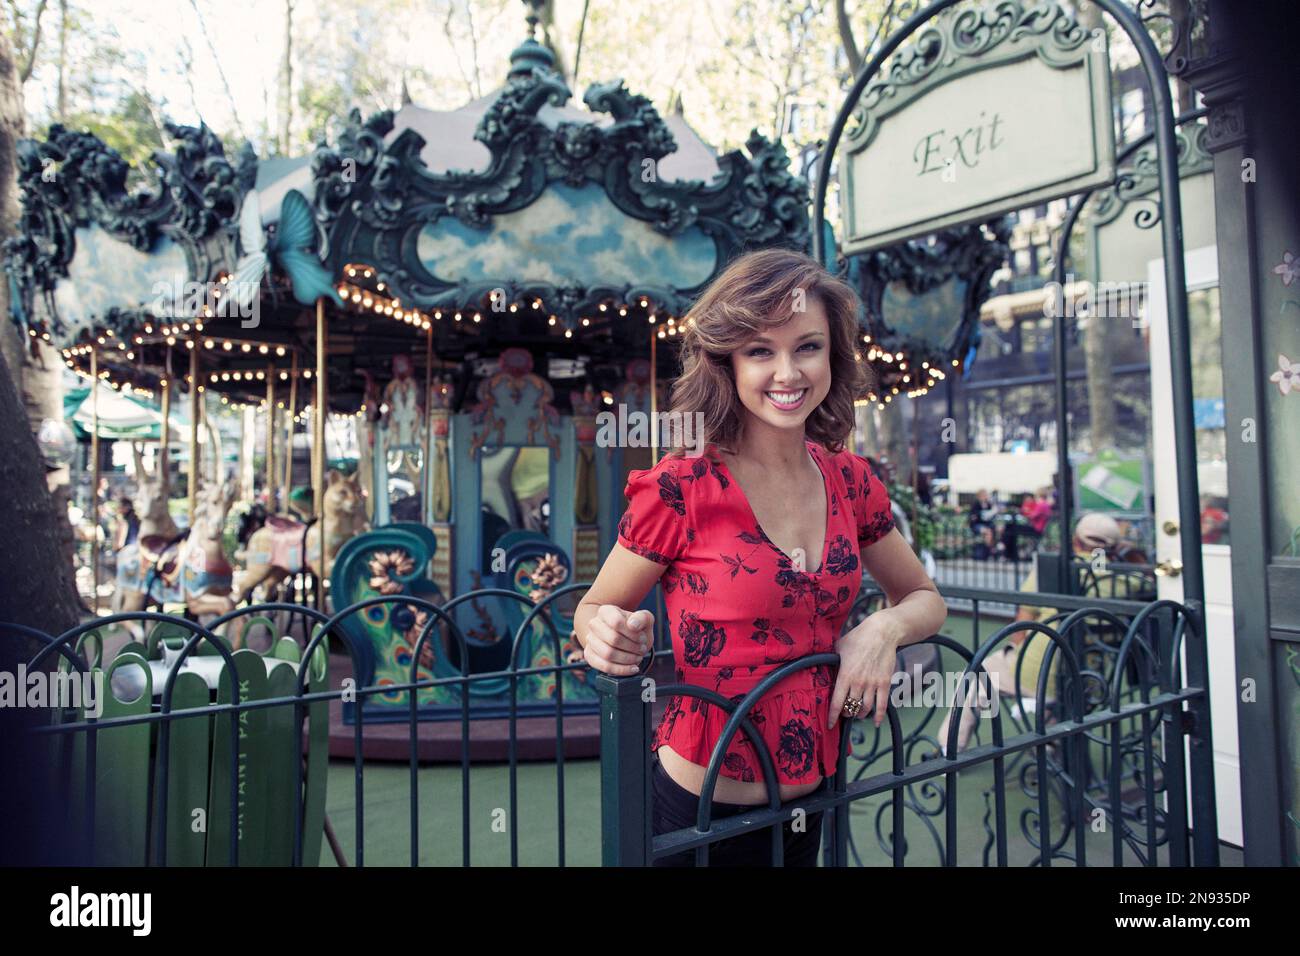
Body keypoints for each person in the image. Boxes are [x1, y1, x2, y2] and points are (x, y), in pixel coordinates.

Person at [573, 248, 947, 866]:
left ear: (833, 354)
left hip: (814, 801)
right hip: (700, 814)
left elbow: (924, 599)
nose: (787, 372)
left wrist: (883, 628)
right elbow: (594, 609)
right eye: (759, 351)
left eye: (807, 347)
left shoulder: (852, 481)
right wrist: (606, 633)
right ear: (728, 363)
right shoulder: (682, 485)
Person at [935, 512, 1124, 755]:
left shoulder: (1056, 569)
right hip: (1089, 678)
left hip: (1041, 672)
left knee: (975, 675)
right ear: (1115, 546)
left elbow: (1023, 620)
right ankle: (1049, 738)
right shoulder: (1125, 578)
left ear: (1076, 540)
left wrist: (1017, 648)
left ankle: (949, 748)